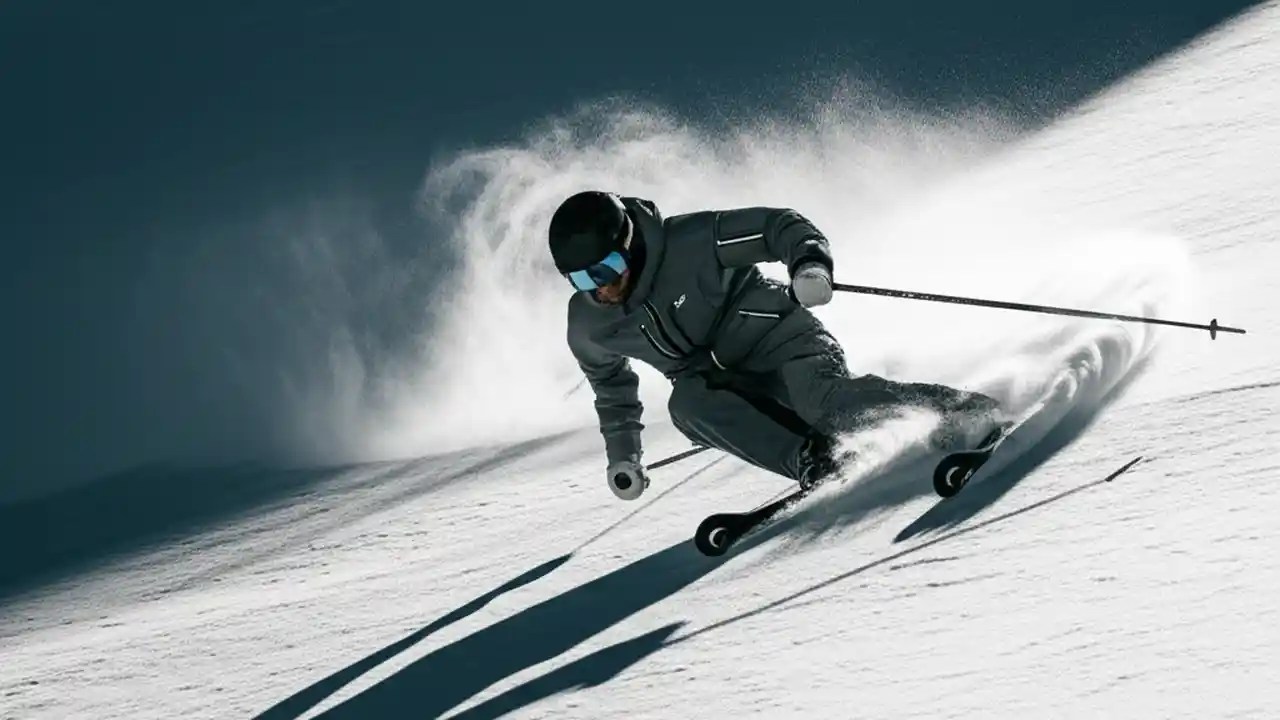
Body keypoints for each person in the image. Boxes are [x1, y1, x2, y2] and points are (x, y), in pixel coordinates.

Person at [550, 190, 1000, 500]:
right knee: (686, 407)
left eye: (606, 269)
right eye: (582, 279)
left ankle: (963, 409)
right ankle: (816, 460)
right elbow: (612, 392)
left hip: (782, 340)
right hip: (726, 387)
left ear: (628, 246)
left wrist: (809, 266)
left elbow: (776, 225)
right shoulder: (589, 324)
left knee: (821, 401)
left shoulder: (690, 242)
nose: (600, 288)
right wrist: (624, 459)